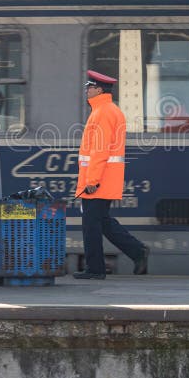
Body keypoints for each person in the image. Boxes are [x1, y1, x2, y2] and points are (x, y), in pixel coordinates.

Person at [73, 70, 150, 280]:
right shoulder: (108, 110)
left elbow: (100, 149)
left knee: (91, 224)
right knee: (102, 221)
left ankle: (95, 269)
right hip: (105, 179)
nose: (86, 90)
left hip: (98, 180)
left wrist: (92, 180)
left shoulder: (102, 113)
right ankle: (137, 251)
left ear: (99, 89)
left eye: (89, 86)